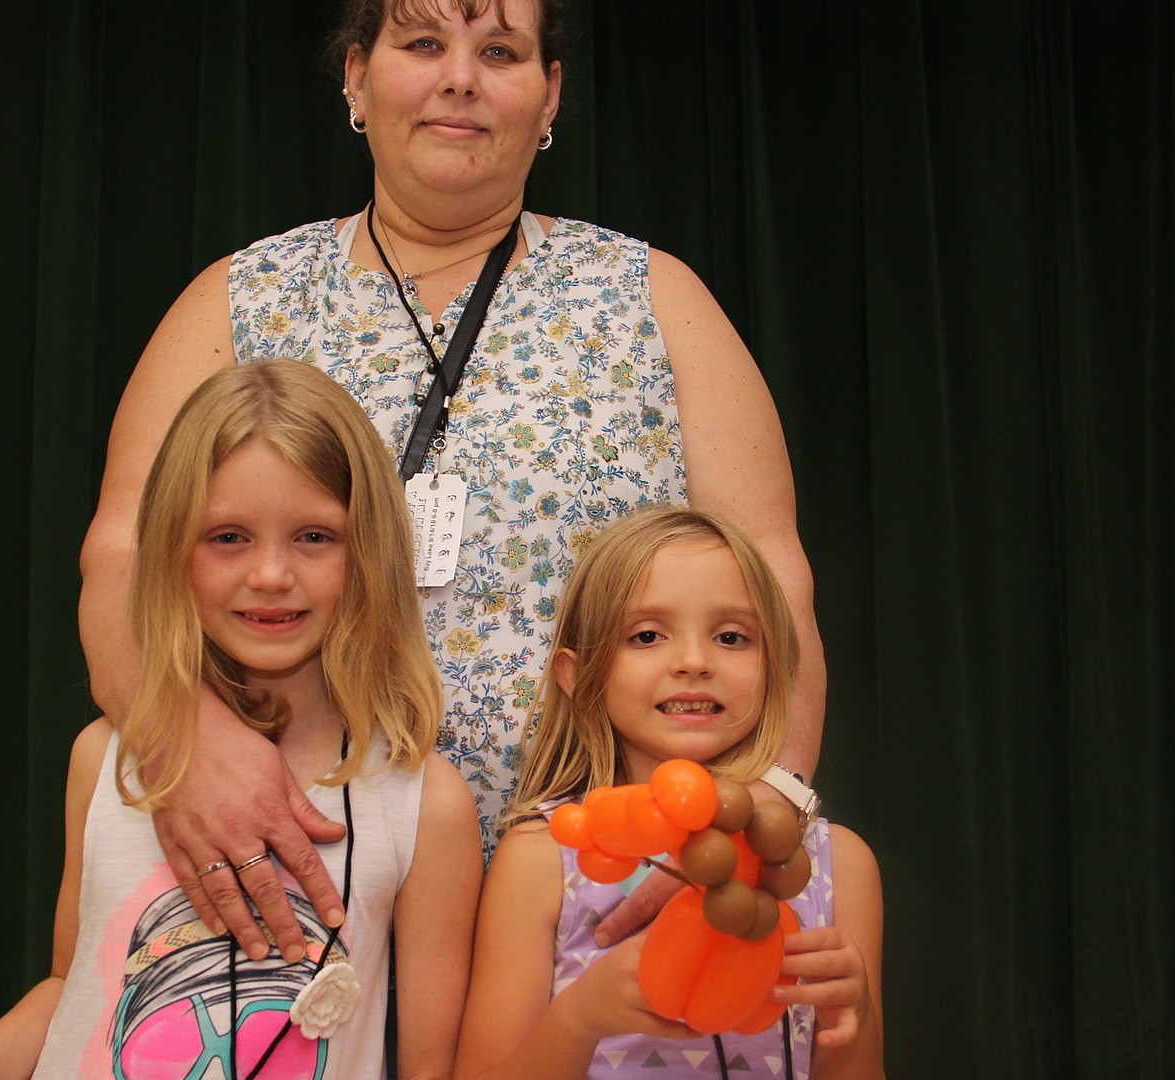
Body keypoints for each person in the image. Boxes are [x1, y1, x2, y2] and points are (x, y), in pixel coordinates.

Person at [78, 0, 827, 959]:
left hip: (604, 889)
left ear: (549, 94)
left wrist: (774, 800)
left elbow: (771, 575)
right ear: (357, 75)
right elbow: (122, 556)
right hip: (297, 869)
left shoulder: (655, 299)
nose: (460, 76)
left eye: (501, 51)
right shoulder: (240, 298)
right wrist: (183, 741)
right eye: (423, 42)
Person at [0, 361, 482, 1079]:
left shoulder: (426, 804)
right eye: (229, 537)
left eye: (313, 536)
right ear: (172, 551)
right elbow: (70, 985)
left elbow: (432, 1068)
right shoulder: (104, 759)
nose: (270, 575)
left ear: (370, 552)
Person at [453, 508, 882, 1079]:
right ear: (577, 677)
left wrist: (849, 1013)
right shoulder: (541, 859)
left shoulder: (838, 864)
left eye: (732, 637)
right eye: (647, 636)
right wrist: (579, 1018)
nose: (693, 663)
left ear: (775, 670)